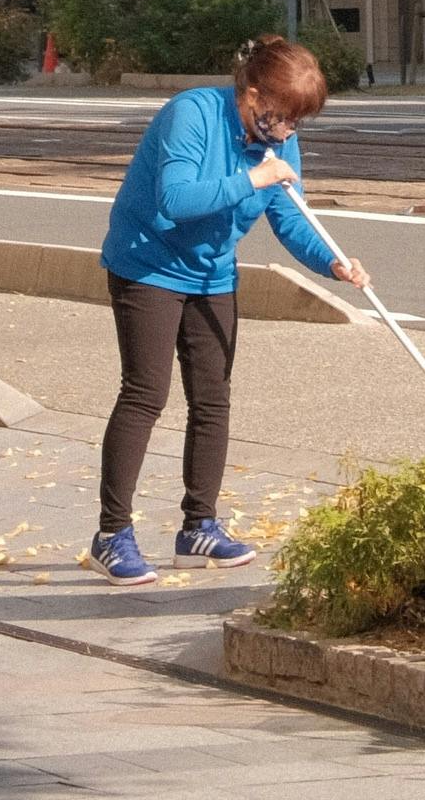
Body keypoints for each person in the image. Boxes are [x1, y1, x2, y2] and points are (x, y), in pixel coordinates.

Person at [91, 33, 368, 580]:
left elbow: (289, 219)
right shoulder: (192, 114)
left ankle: (198, 527)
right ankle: (111, 533)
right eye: (282, 117)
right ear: (252, 93)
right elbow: (177, 199)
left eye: (297, 123)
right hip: (147, 263)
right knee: (146, 393)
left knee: (212, 399)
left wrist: (331, 261)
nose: (288, 132)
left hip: (213, 272)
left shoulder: (280, 142)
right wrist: (252, 176)